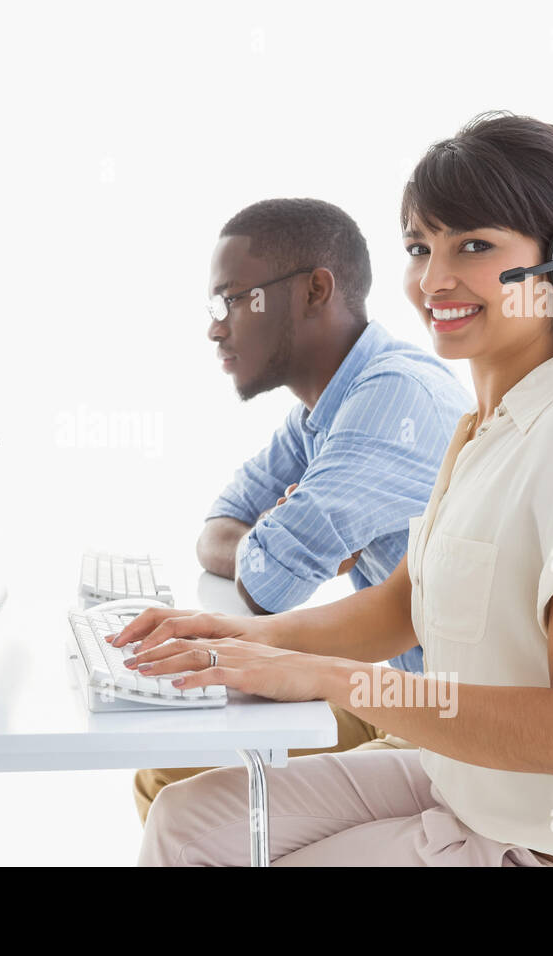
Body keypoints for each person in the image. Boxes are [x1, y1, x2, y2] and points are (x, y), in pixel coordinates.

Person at [113, 112, 553, 866]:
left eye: (474, 246)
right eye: (420, 248)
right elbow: (406, 605)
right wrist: (241, 638)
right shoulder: (483, 427)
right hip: (470, 787)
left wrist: (331, 678)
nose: (433, 281)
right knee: (185, 818)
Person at [132, 198, 469, 823]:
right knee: (164, 766)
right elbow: (221, 526)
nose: (216, 326)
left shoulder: (392, 396)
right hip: (393, 693)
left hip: (446, 724)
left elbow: (267, 585)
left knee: (187, 802)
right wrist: (266, 537)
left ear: (316, 290)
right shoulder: (325, 410)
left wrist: (267, 548)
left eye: (235, 299)